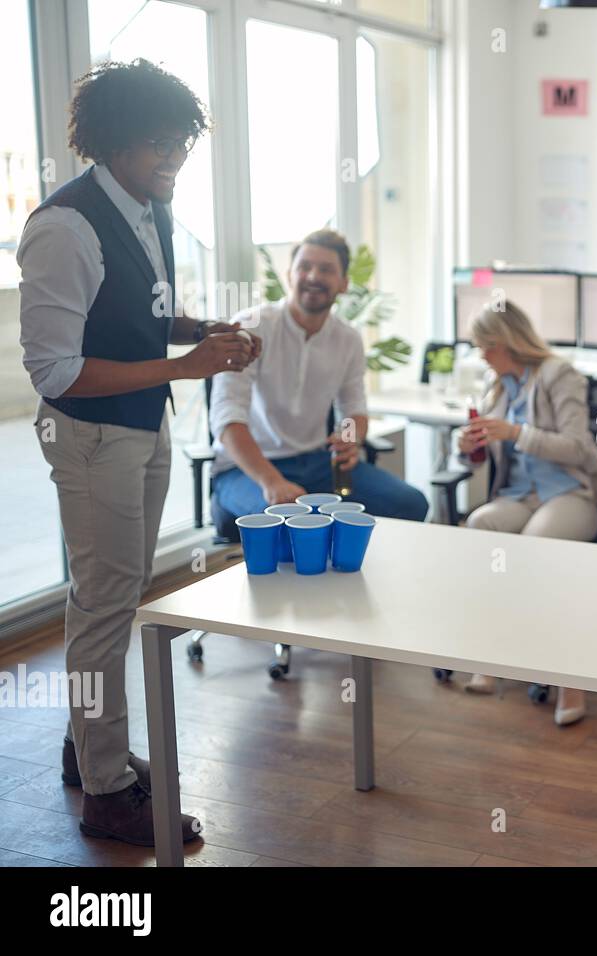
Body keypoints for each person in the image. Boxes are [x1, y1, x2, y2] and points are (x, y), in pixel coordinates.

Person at [19, 59, 260, 846]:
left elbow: (136, 312)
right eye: (159, 144)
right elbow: (54, 372)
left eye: (181, 144)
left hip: (139, 424)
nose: (174, 160)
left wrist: (198, 334)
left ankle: (89, 749)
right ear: (113, 141)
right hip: (90, 439)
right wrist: (185, 367)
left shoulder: (145, 205)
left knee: (108, 597)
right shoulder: (64, 227)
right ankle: (107, 790)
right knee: (102, 606)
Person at [455, 301, 597, 726]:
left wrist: (518, 433)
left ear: (507, 342)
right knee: (480, 526)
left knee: (536, 547)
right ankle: (494, 654)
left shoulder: (559, 375)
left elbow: (577, 446)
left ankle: (568, 679)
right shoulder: (497, 386)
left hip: (568, 493)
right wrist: (468, 448)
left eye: (485, 346)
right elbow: (485, 454)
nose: (482, 354)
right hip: (520, 495)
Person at [209, 229, 429, 524]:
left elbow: (354, 410)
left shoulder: (348, 339)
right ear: (290, 275)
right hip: (246, 469)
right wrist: (271, 480)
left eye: (326, 270)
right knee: (288, 523)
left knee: (410, 504)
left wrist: (350, 439)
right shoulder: (253, 326)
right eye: (305, 267)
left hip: (318, 463)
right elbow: (227, 418)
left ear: (343, 283)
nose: (313, 276)